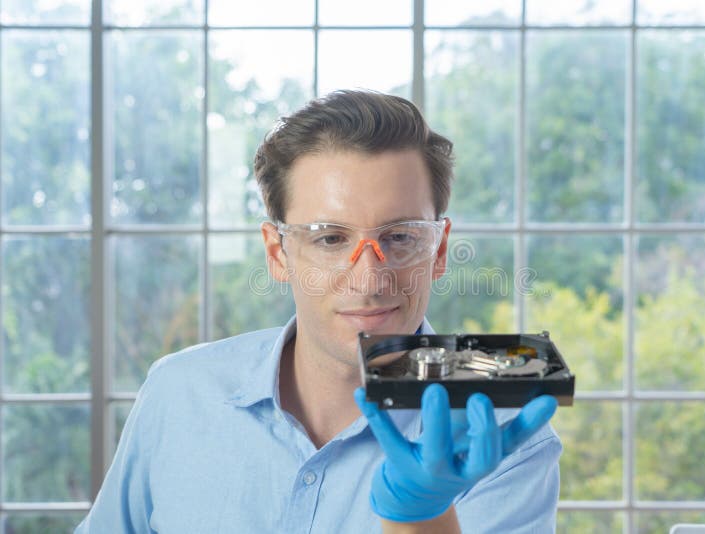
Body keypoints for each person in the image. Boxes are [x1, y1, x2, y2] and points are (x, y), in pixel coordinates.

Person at [75, 90, 562, 533]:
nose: (370, 279)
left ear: (438, 251)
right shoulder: (180, 392)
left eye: (401, 237)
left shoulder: (501, 438)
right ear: (278, 252)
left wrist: (422, 515)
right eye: (330, 238)